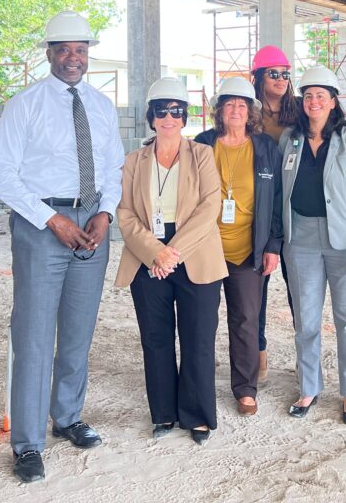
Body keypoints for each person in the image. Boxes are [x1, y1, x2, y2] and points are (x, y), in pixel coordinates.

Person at [0, 11, 124, 483]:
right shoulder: (24, 105)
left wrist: (105, 212)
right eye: (63, 49)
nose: (73, 57)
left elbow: (112, 169)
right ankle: (27, 443)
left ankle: (67, 417)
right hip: (42, 222)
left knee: (79, 330)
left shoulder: (102, 106)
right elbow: (0, 176)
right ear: (48, 53)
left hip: (93, 222)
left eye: (81, 50)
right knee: (34, 333)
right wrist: (52, 219)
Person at [115, 78, 226, 445]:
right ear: (151, 116)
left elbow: (210, 206)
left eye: (176, 111)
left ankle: (196, 416)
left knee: (197, 339)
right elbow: (126, 212)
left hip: (193, 254)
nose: (168, 118)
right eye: (161, 110)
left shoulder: (202, 155)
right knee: (156, 338)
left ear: (184, 117)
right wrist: (154, 252)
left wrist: (172, 252)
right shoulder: (135, 160)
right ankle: (162, 412)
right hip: (148, 258)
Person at [280, 66, 346, 424]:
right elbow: (279, 193)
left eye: (321, 95)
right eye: (308, 96)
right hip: (300, 238)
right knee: (305, 319)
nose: (314, 101)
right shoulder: (290, 139)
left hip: (345, 240)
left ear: (334, 102)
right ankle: (309, 386)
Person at [195, 76, 283, 416]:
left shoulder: (264, 148)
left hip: (249, 250)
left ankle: (245, 389)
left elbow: (275, 202)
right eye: (229, 104)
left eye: (242, 105)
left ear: (251, 112)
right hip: (205, 248)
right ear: (220, 111)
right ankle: (199, 384)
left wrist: (273, 245)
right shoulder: (202, 144)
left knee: (246, 319)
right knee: (202, 320)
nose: (235, 110)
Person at [250, 45, 299, 379]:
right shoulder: (248, 113)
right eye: (273, 73)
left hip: (295, 209)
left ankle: (304, 352)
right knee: (256, 290)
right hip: (259, 210)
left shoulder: (300, 112)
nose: (281, 79)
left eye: (285, 73)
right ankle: (259, 353)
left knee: (299, 288)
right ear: (259, 77)